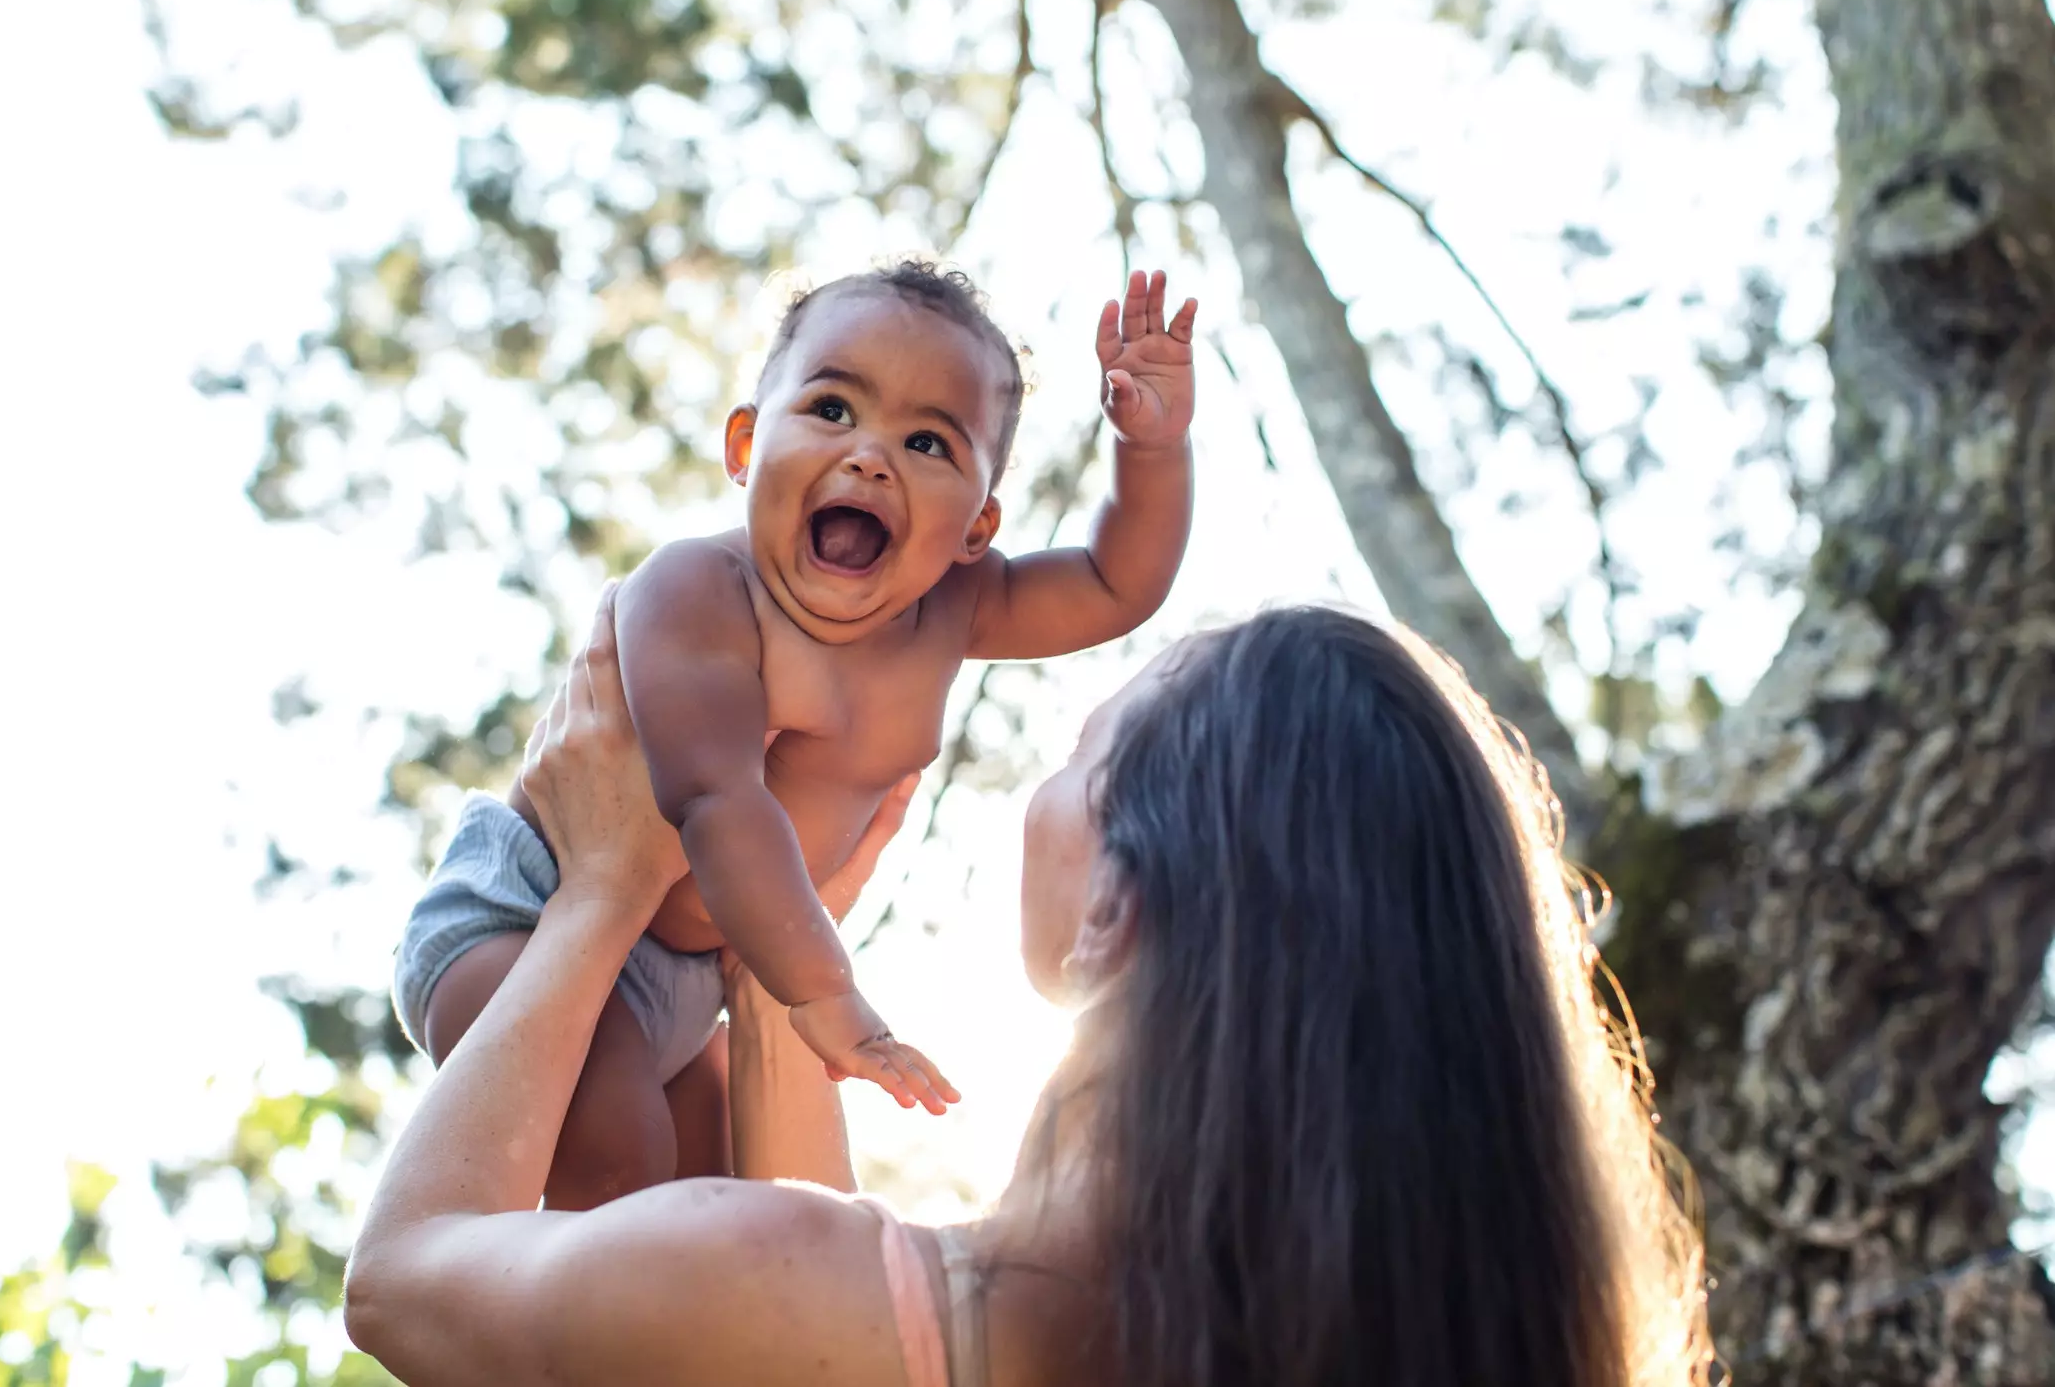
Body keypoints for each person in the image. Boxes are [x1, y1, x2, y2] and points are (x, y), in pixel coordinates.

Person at [346, 591, 1714, 1387]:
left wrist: (601, 888)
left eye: (1075, 757)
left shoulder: (839, 1305)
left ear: (1118, 899)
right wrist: (770, 948)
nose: (1033, 795)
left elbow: (406, 1282)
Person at [390, 261, 1199, 1206]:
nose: (869, 456)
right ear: (743, 444)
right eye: (831, 410)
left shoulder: (956, 609)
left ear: (975, 526)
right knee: (618, 1161)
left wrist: (1151, 448)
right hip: (526, 922)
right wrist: (823, 991)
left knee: (712, 1212)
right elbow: (715, 799)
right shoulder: (699, 595)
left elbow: (1114, 584)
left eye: (929, 440)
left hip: (696, 981)